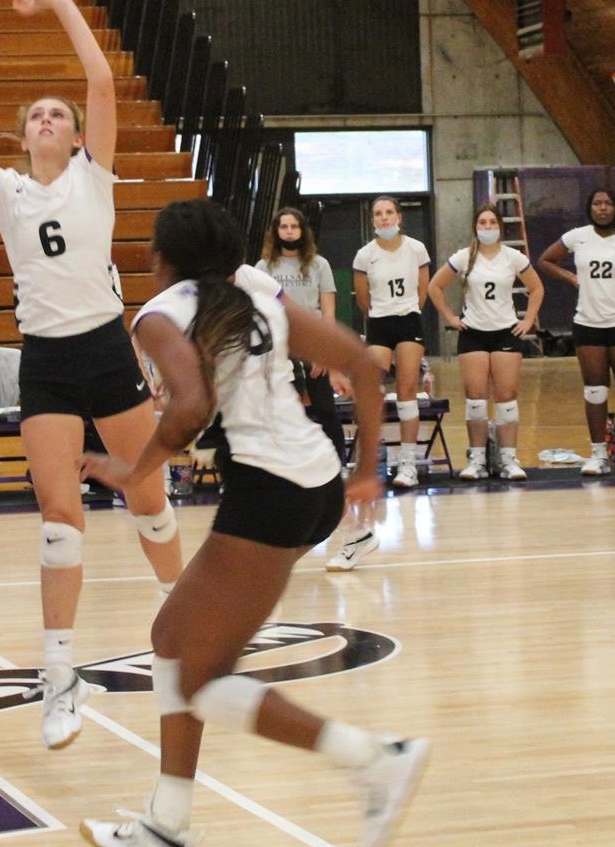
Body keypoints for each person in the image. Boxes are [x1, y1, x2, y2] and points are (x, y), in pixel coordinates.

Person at [79, 200, 429, 847]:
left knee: (200, 679)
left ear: (160, 259)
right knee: (169, 637)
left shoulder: (159, 316)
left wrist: (136, 471)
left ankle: (376, 760)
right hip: (313, 480)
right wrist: (365, 469)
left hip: (270, 490)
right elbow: (358, 362)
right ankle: (167, 820)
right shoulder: (257, 297)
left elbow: (189, 410)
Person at [0, 0, 184, 750]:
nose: (46, 119)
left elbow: (100, 79)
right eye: (36, 114)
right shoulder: (3, 193)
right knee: (59, 522)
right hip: (46, 362)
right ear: (23, 134)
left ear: (73, 138)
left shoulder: (92, 176)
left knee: (148, 499)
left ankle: (184, 630)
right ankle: (57, 673)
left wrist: (61, 4)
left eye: (57, 115)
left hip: (106, 348)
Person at [328, 195, 429, 572]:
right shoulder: (364, 254)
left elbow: (422, 291)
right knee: (372, 392)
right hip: (380, 324)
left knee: (407, 392)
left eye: (389, 212)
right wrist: (381, 317)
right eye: (378, 214)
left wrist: (407, 313)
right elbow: (363, 299)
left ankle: (408, 464)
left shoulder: (416, 249)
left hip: (409, 321)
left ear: (399, 217)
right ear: (372, 220)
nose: (384, 217)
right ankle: (376, 460)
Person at [539, 188, 615, 477]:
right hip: (588, 324)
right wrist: (571, 277)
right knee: (595, 390)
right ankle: (598, 454)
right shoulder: (578, 236)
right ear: (590, 208)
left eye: (608, 203)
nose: (602, 208)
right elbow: (546, 260)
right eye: (597, 203)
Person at [429, 203, 541, 480]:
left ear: (500, 227)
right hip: (474, 333)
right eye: (483, 223)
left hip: (506, 332)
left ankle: (509, 460)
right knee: (476, 399)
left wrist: (527, 321)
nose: (488, 227)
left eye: (492, 222)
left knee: (506, 398)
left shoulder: (513, 257)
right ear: (475, 228)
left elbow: (537, 288)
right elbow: (434, 287)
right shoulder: (464, 257)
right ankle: (477, 460)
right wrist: (451, 317)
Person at [255, 206, 342, 456]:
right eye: (284, 227)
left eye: (294, 226)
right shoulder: (263, 267)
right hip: (279, 345)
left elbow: (328, 313)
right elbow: (260, 312)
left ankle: (338, 464)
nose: (290, 232)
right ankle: (288, 463)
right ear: (276, 231)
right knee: (285, 408)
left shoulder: (319, 265)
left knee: (325, 408)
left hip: (313, 342)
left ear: (303, 230)